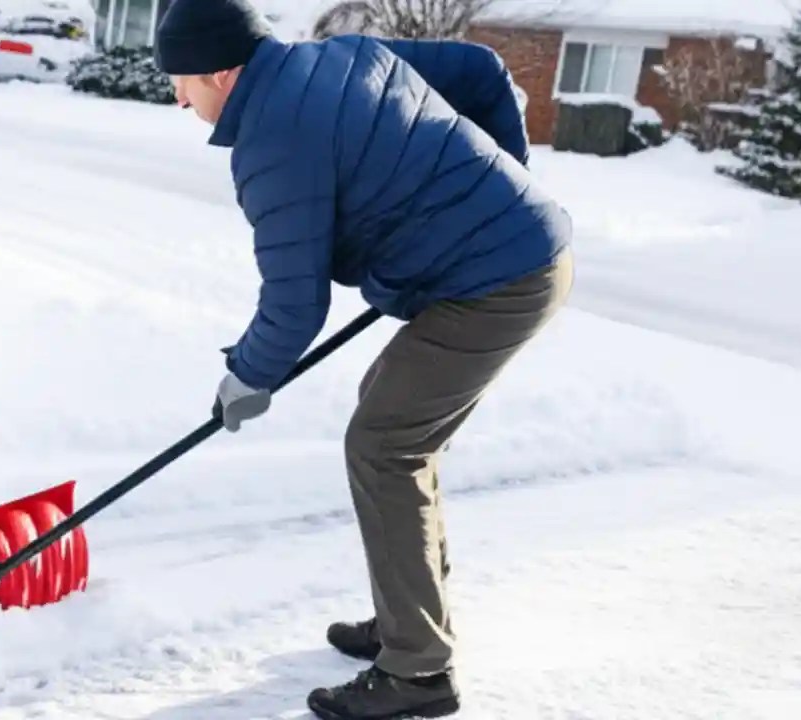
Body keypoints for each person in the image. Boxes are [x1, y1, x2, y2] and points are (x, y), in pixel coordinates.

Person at [155, 0, 574, 717]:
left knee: (385, 446)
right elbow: (480, 69)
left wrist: (247, 376)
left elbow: (295, 304)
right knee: (393, 425)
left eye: (182, 81)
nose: (177, 97)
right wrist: (507, 185)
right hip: (509, 259)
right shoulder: (337, 56)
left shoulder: (272, 143)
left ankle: (417, 673)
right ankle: (412, 619)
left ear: (222, 72)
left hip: (497, 282)